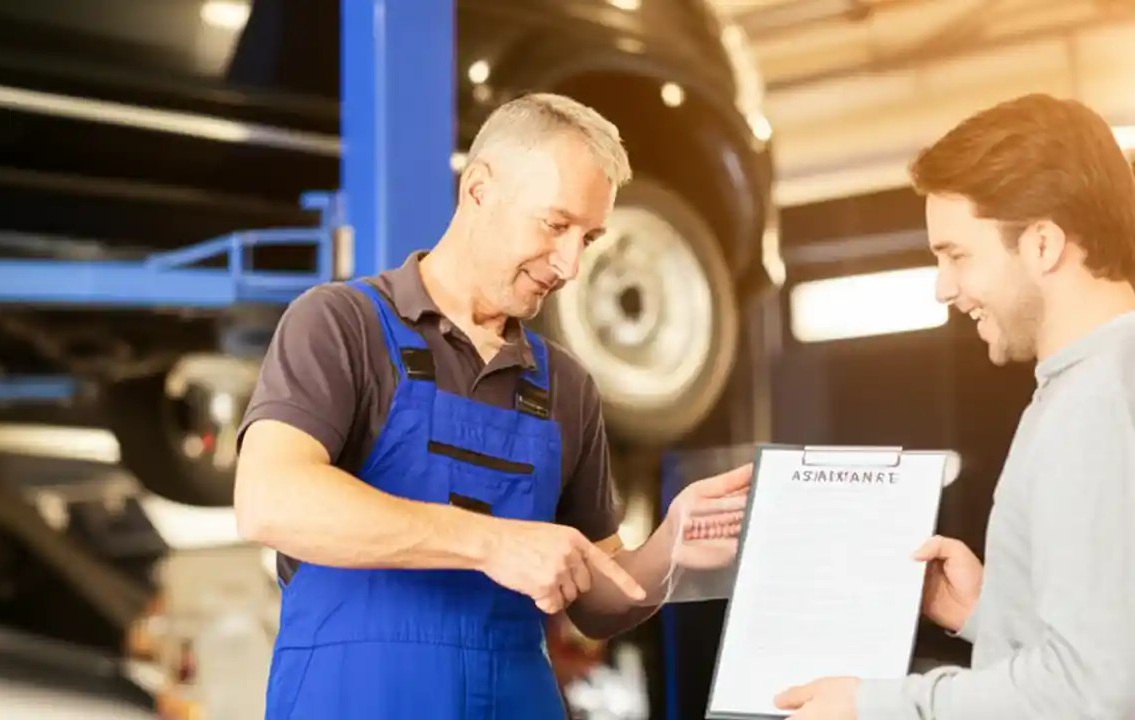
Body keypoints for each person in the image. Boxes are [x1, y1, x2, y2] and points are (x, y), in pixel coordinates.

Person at [233, 92, 751, 720]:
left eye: (589, 238)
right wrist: (490, 543)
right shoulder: (342, 326)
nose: (571, 265)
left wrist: (669, 550)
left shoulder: (567, 388)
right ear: (478, 190)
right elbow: (271, 499)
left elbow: (595, 598)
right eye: (556, 225)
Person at [775, 93, 1135, 719]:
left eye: (956, 255)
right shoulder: (1087, 388)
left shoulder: (1097, 404)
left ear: (1043, 245)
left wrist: (877, 707)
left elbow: (1093, 692)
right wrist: (991, 612)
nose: (944, 288)